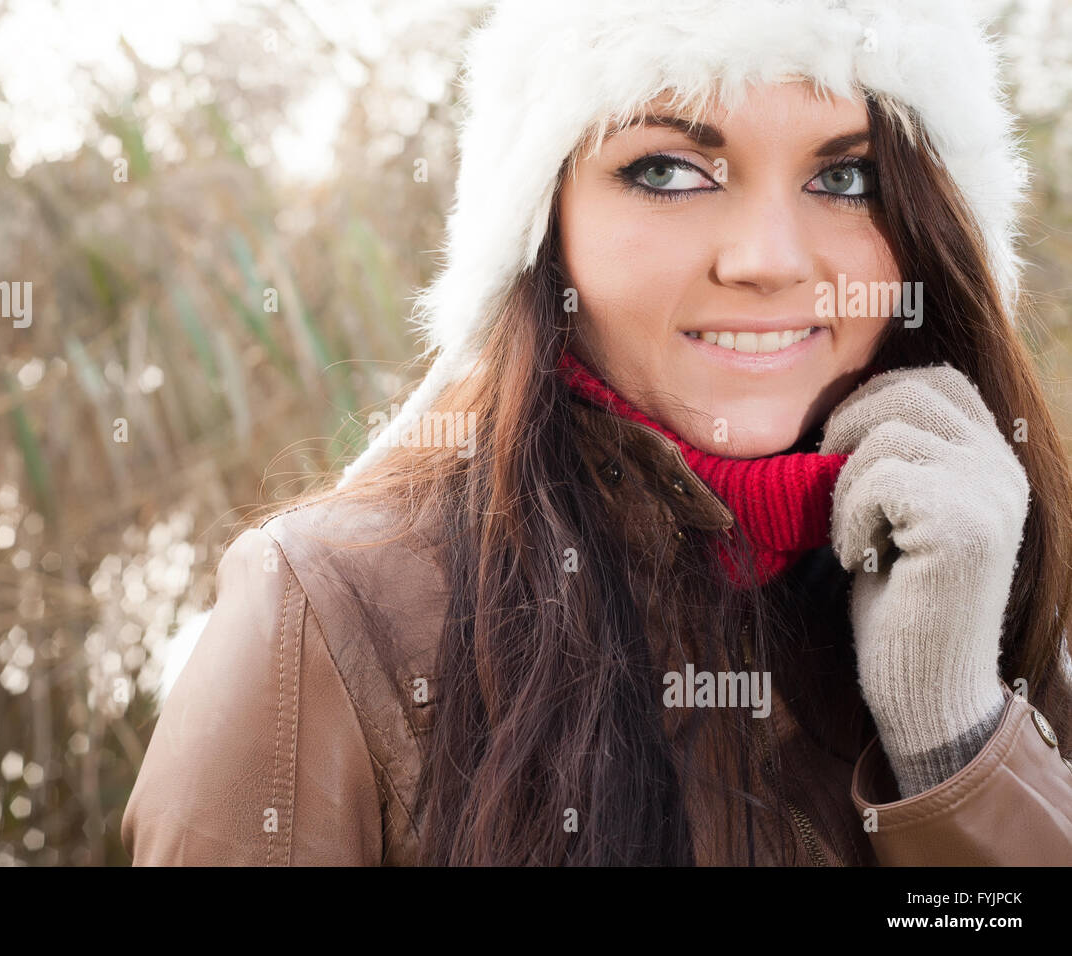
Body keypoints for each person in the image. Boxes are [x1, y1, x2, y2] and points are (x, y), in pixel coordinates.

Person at [122, 0, 1072, 865]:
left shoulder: (991, 554)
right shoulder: (327, 619)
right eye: (667, 170)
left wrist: (955, 739)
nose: (770, 262)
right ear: (543, 225)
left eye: (847, 173)